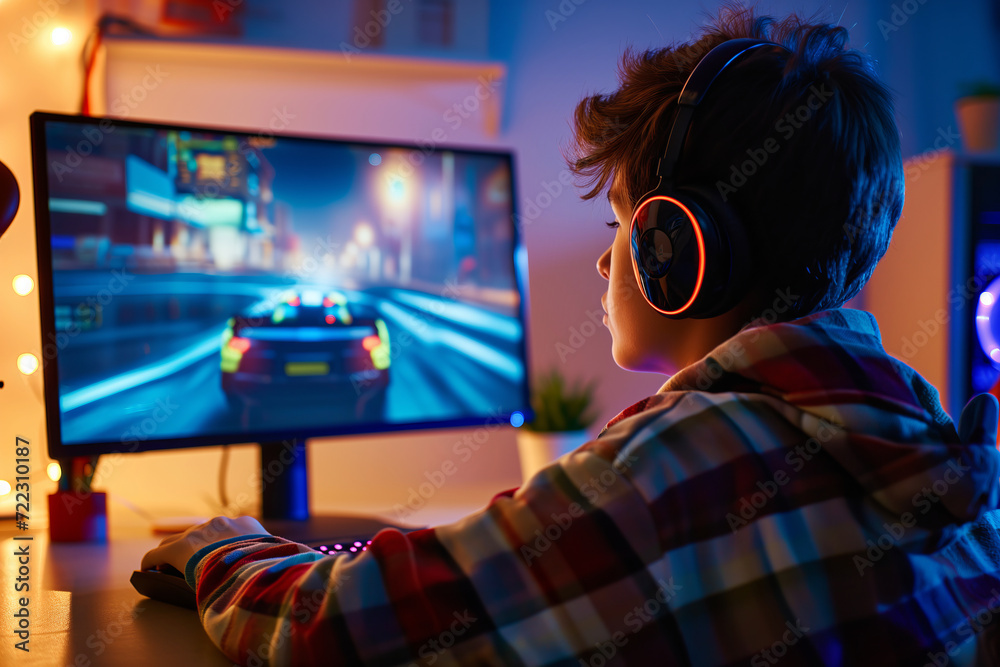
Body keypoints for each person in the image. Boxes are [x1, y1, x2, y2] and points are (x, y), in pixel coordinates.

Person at [142, 4, 1000, 665]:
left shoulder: (677, 470)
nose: (604, 264)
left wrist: (227, 548)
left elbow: (337, 628)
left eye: (620, 224)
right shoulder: (934, 443)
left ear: (677, 247)